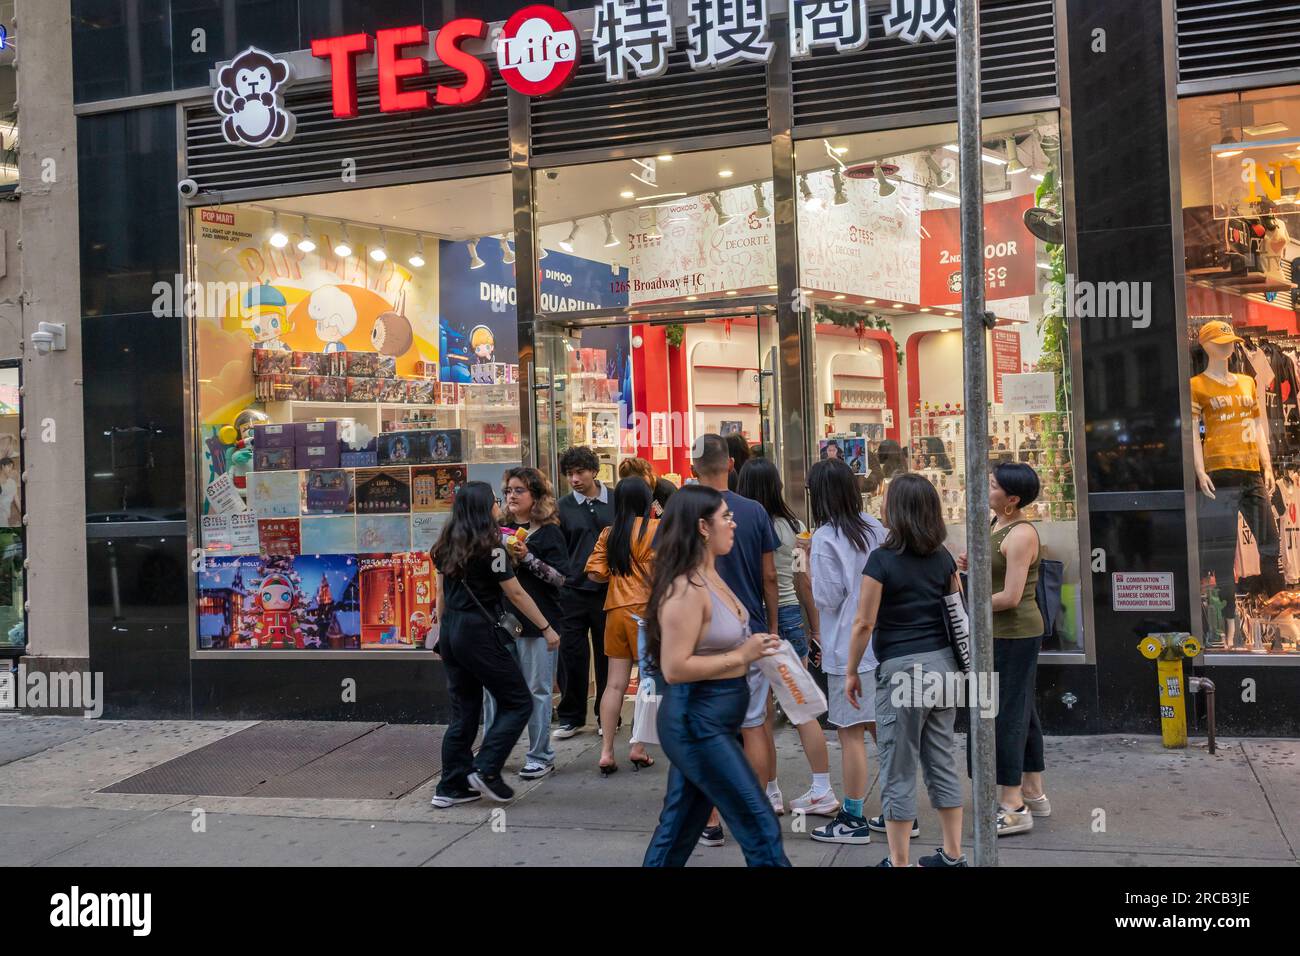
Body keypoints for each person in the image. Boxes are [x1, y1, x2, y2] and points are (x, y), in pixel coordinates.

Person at [642, 485, 790, 867]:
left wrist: (755, 647)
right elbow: (674, 669)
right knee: (760, 827)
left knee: (677, 831)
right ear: (702, 527)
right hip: (696, 724)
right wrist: (742, 655)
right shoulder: (685, 588)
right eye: (725, 516)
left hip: (712, 723)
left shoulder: (711, 577)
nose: (733, 523)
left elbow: (720, 643)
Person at [847, 473, 966, 867]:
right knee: (942, 759)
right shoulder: (944, 557)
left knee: (898, 767)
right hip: (945, 667)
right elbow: (957, 613)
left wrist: (850, 671)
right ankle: (953, 854)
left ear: (894, 511)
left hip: (903, 672)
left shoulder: (881, 561)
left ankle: (898, 861)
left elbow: (864, 623)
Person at [431, 482, 563, 807]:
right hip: (478, 633)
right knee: (518, 700)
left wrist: (442, 636)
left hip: (451, 632)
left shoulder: (445, 545)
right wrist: (547, 628)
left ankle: (450, 786)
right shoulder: (492, 548)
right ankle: (486, 769)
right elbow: (515, 593)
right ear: (483, 508)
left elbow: (440, 597)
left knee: (463, 710)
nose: (498, 505)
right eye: (494, 501)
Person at [688, 434, 780, 844]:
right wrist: (773, 626)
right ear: (730, 464)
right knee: (755, 723)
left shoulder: (682, 511)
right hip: (750, 628)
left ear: (693, 470)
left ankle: (710, 820)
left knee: (709, 729)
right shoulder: (754, 510)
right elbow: (770, 576)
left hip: (700, 632)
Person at [736, 458, 837, 819]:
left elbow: (762, 580)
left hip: (757, 620)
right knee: (802, 707)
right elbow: (802, 580)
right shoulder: (794, 527)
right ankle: (822, 787)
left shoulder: (742, 525)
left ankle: (771, 791)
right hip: (793, 616)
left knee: (759, 716)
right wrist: (815, 629)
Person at [958, 462, 1048, 836]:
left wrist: (969, 604)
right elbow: (995, 573)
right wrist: (971, 568)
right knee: (1022, 710)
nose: (986, 489)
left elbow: (1011, 597)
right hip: (1000, 633)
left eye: (993, 485)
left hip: (1014, 633)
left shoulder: (1022, 533)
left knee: (1007, 714)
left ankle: (1012, 805)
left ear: (1011, 500)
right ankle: (1034, 792)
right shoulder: (998, 525)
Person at [804, 458, 886, 844]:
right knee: (881, 732)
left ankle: (853, 817)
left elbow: (828, 596)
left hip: (846, 648)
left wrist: (807, 569)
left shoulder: (825, 537)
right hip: (882, 644)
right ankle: (896, 811)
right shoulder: (875, 527)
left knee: (850, 733)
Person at [481, 467, 570, 781]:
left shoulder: (549, 533)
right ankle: (493, 750)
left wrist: (529, 557)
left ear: (536, 496)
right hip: (502, 621)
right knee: (494, 690)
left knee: (538, 689)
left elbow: (561, 578)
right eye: (508, 491)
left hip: (539, 622)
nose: (512, 496)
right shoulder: (498, 530)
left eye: (519, 490)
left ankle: (540, 754)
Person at [585, 476, 657, 775]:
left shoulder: (609, 534)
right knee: (647, 682)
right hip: (649, 613)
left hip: (615, 610)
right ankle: (638, 747)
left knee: (614, 683)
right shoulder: (659, 529)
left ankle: (606, 752)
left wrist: (619, 572)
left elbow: (593, 574)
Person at [555, 446, 613, 739]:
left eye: (580, 472)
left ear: (593, 471)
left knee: (607, 655)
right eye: (570, 474)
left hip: (608, 591)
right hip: (572, 591)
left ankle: (606, 714)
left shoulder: (614, 500)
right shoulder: (562, 507)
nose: (574, 479)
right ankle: (571, 716)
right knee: (572, 655)